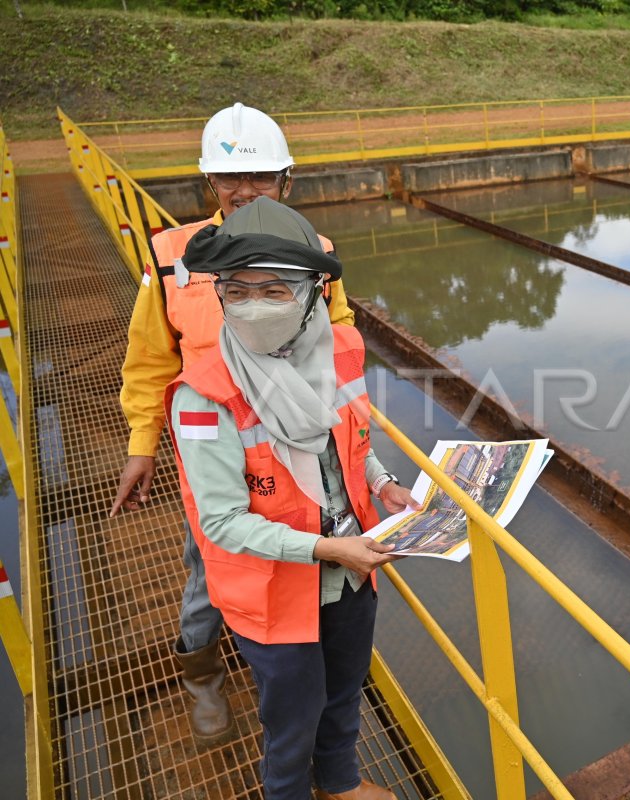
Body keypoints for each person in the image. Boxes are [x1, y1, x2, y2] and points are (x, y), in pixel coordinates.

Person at [110, 102, 355, 746]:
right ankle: (203, 675)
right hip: (215, 443)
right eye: (229, 180)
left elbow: (343, 333)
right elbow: (149, 358)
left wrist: (349, 425)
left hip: (298, 442)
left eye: (262, 179)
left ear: (287, 182)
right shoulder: (171, 256)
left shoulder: (315, 251)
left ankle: (286, 666)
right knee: (211, 561)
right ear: (208, 185)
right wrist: (143, 445)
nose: (245, 191)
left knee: (309, 559)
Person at [166, 197, 419, 800]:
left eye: (275, 290)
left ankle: (340, 783)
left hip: (352, 572)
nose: (253, 305)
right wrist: (328, 547)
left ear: (312, 294)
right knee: (292, 719)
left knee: (344, 690)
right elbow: (223, 522)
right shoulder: (202, 398)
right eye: (237, 289)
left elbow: (351, 437)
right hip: (276, 589)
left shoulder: (340, 352)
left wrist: (385, 485)